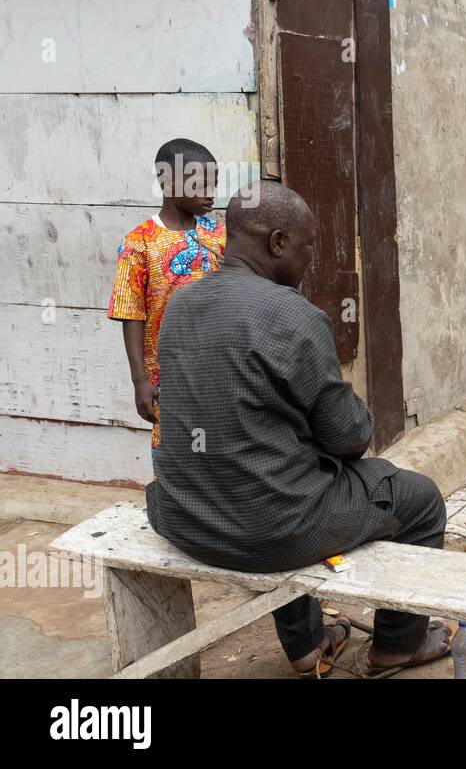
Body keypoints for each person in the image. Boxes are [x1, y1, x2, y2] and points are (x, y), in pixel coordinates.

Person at [148, 180, 450, 678]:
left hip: (183, 515)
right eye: (309, 246)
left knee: (273, 471)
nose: (312, 259)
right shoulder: (295, 317)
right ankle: (397, 646)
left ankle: (308, 645)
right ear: (278, 243)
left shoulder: (180, 306)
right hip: (262, 529)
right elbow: (352, 437)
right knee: (417, 498)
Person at [108, 138, 225, 453]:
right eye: (201, 184)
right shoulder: (140, 243)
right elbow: (130, 313)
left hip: (222, 366)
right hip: (168, 375)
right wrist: (139, 381)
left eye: (214, 183)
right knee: (175, 450)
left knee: (223, 446)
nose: (211, 192)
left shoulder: (219, 234)